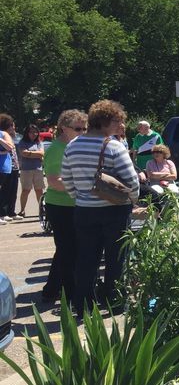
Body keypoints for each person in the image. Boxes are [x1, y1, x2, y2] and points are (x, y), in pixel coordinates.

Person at [61, 100, 140, 316]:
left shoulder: (73, 145)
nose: (120, 124)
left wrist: (80, 197)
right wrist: (132, 199)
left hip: (84, 210)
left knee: (86, 258)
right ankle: (112, 302)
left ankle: (83, 304)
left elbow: (66, 178)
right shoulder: (113, 146)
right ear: (106, 121)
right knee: (116, 258)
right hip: (114, 210)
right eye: (118, 120)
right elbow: (132, 182)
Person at [41, 109, 86, 302]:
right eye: (78, 129)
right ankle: (70, 293)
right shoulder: (55, 149)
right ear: (63, 128)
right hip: (60, 206)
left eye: (85, 128)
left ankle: (51, 290)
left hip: (73, 204)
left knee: (67, 249)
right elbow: (54, 182)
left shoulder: (75, 147)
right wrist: (83, 189)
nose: (83, 132)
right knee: (68, 250)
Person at [15, 124, 45, 217]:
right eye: (31, 132)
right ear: (27, 133)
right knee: (25, 190)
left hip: (38, 169)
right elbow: (23, 153)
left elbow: (42, 154)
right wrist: (36, 154)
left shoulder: (39, 142)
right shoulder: (22, 142)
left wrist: (30, 153)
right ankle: (22, 210)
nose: (34, 134)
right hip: (26, 170)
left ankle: (42, 210)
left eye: (36, 132)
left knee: (39, 190)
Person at [0, 115, 19, 223]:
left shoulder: (9, 135)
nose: (13, 127)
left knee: (11, 191)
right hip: (6, 166)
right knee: (5, 191)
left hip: (12, 166)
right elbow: (9, 147)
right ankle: (4, 212)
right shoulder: (4, 134)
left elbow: (10, 148)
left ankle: (9, 211)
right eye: (11, 125)